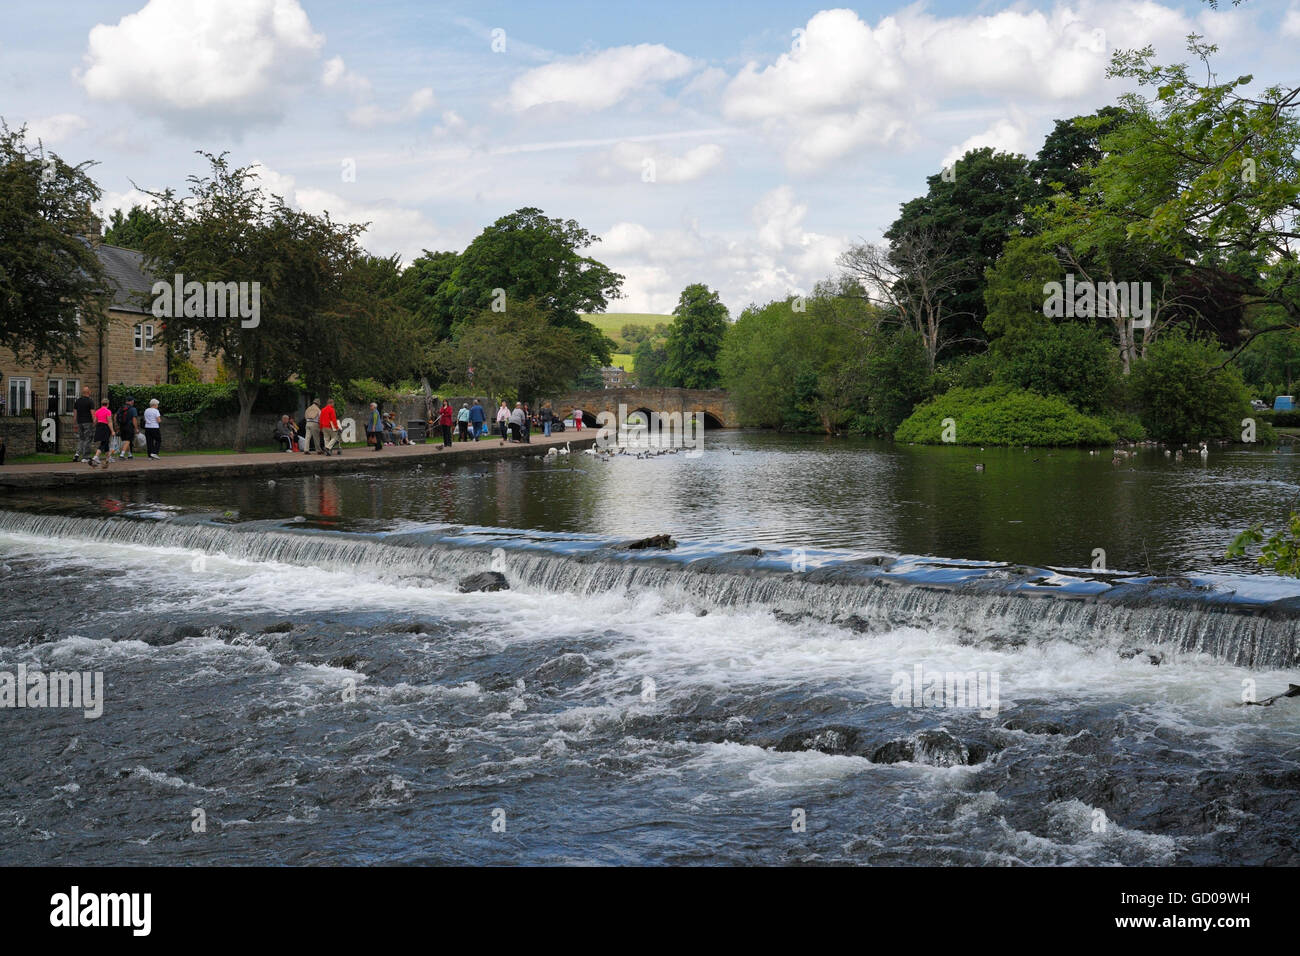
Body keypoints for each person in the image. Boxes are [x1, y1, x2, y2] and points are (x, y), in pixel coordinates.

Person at [88, 397, 115, 469]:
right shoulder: (108, 411)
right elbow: (109, 422)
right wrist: (112, 431)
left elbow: (95, 421)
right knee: (104, 443)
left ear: (102, 404)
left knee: (106, 443)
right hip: (105, 427)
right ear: (108, 404)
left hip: (99, 427)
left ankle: (108, 458)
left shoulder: (97, 411)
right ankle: (96, 457)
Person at [73, 385, 94, 462]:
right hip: (88, 422)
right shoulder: (90, 401)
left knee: (81, 439)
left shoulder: (77, 401)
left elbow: (75, 413)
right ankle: (86, 456)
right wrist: (94, 421)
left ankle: (77, 454)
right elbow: (92, 413)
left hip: (79, 422)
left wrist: (75, 424)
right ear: (88, 392)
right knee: (88, 439)